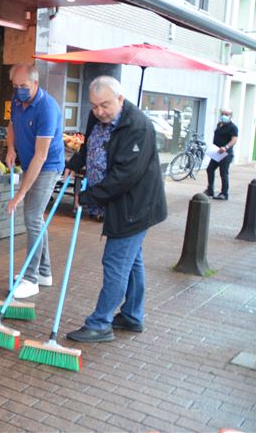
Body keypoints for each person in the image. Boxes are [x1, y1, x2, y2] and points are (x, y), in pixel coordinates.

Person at [64, 76, 166, 343]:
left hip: (134, 206)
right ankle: (132, 315)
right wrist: (75, 163)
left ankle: (100, 323)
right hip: (120, 202)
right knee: (132, 261)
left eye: (105, 105)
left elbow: (124, 176)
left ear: (120, 99)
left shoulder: (139, 127)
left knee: (116, 262)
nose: (99, 112)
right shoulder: (96, 116)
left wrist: (88, 197)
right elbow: (89, 145)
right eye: (95, 106)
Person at [5, 64, 65, 299]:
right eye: (16, 86)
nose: (19, 90)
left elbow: (41, 156)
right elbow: (11, 124)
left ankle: (30, 279)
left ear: (36, 84)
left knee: (31, 216)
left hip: (48, 166)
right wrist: (11, 148)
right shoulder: (17, 100)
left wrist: (19, 195)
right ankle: (44, 272)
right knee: (36, 218)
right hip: (30, 163)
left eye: (24, 87)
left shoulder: (47, 108)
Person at [205, 109, 238, 201]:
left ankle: (224, 193)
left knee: (223, 173)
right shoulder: (219, 125)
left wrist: (226, 147)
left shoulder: (233, 127)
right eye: (223, 114)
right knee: (210, 169)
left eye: (226, 114)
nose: (224, 115)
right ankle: (210, 190)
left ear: (231, 116)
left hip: (225, 154)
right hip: (216, 152)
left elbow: (234, 140)